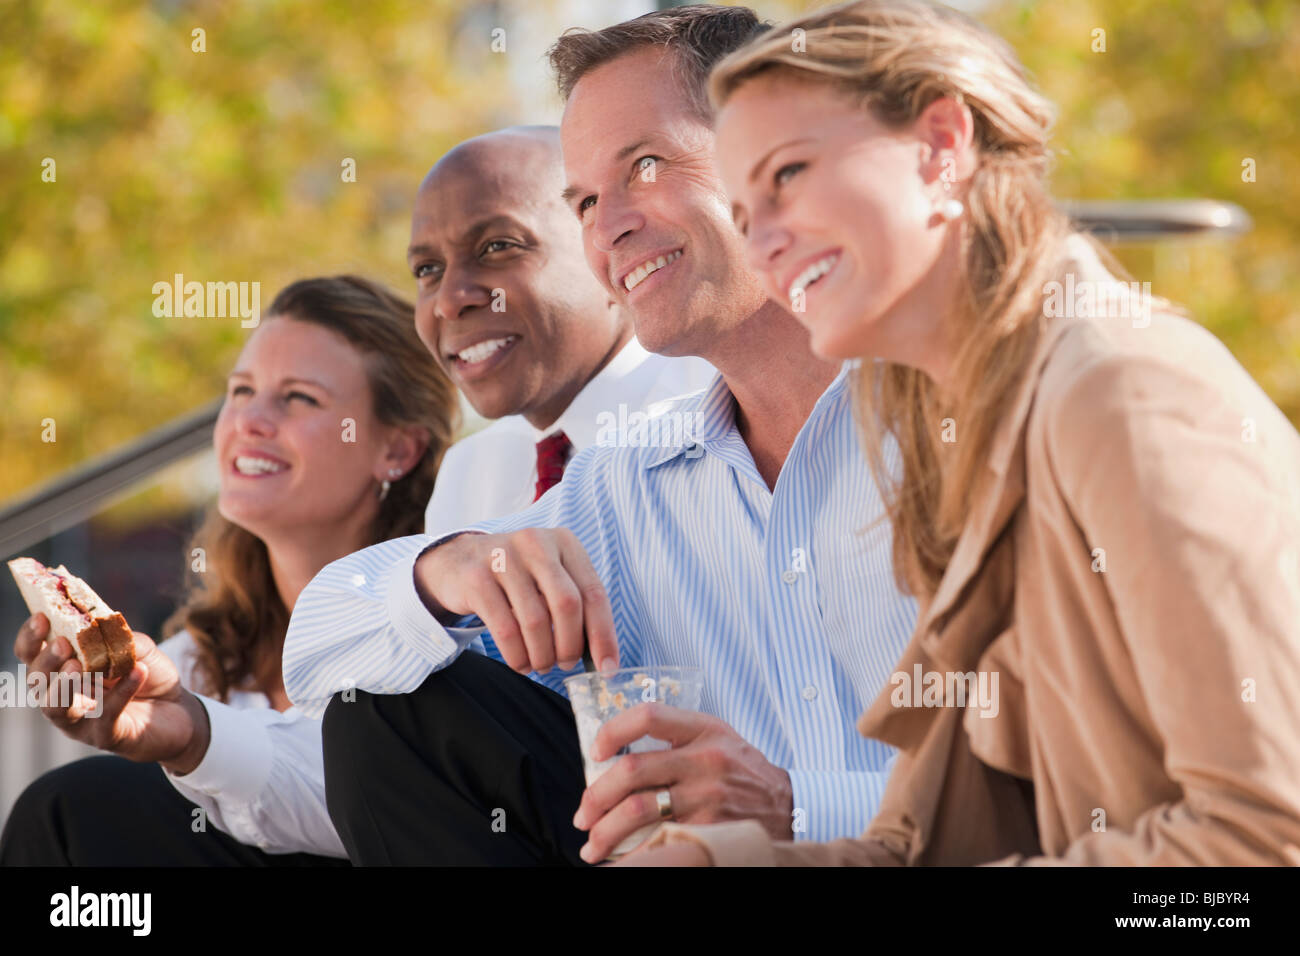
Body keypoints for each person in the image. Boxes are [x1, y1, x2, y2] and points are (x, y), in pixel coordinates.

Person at [630, 0, 1300, 866]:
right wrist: (722, 861)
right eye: (743, 207)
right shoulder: (957, 435)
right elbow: (925, 845)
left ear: (943, 145)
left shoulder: (1120, 394)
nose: (760, 241)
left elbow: (1262, 846)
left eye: (789, 174)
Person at [285, 4, 918, 866]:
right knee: (394, 712)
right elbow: (318, 652)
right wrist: (452, 566)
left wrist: (795, 804)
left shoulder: (975, 431)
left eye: (645, 165)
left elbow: (1104, 789)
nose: (606, 225)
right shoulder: (624, 488)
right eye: (584, 199)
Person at [1, 275, 458, 864]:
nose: (250, 420)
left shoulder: (443, 630)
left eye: (300, 398)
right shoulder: (191, 659)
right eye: (241, 390)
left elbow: (409, 820)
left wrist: (197, 737)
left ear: (397, 450)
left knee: (72, 804)